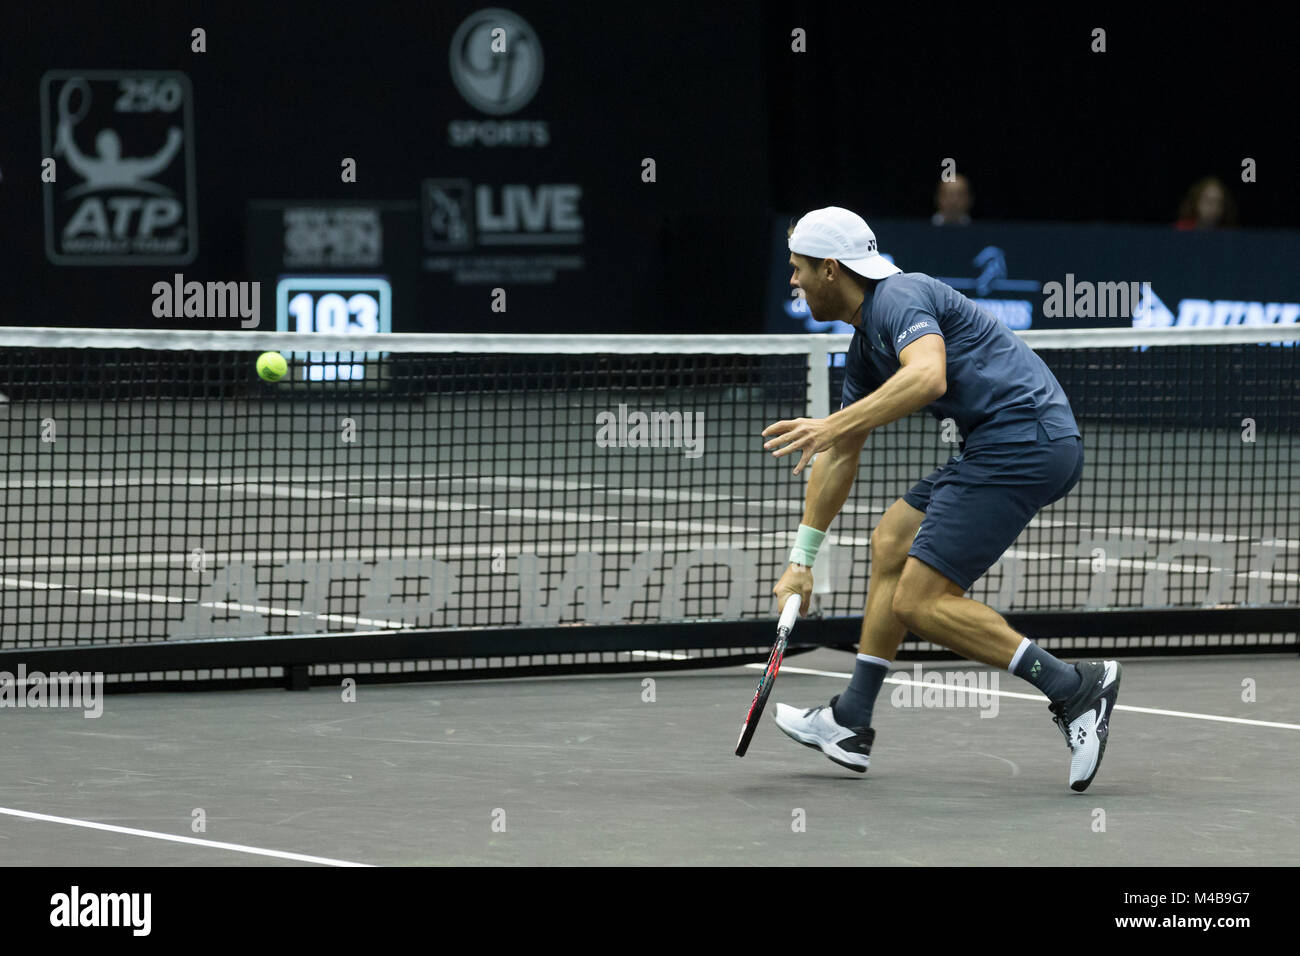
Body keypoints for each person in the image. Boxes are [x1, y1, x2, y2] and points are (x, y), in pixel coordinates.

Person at [762, 206, 1120, 792]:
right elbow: (840, 455)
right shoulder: (864, 348)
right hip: (1002, 443)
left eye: (799, 269)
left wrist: (830, 425)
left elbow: (928, 377)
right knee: (892, 541)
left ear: (831, 269)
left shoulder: (898, 297)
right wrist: (802, 561)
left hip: (1026, 438)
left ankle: (1074, 687)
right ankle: (851, 720)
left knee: (919, 603)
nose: (793, 282)